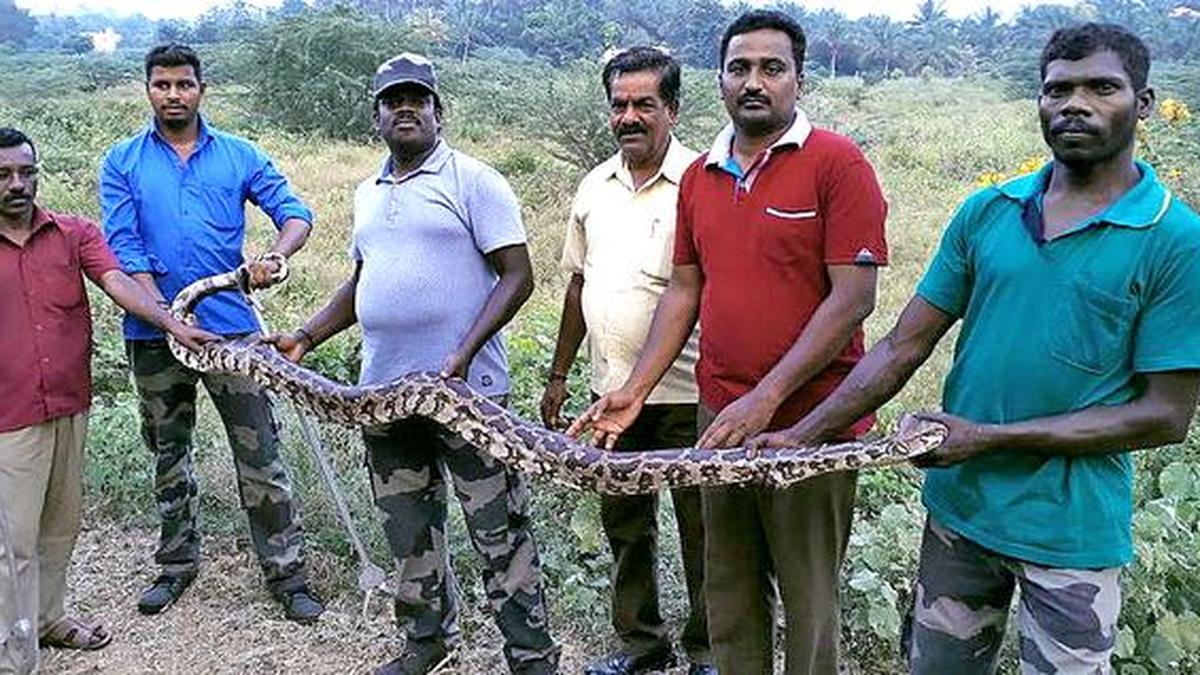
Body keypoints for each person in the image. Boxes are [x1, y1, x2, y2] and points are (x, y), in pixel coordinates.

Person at [750, 23, 1200, 674]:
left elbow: (1164, 415)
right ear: (1039, 102)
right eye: (1058, 89)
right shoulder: (988, 210)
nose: (1075, 103)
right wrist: (805, 432)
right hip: (959, 516)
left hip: (1070, 535)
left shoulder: (1174, 238)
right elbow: (903, 345)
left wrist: (985, 437)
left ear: (1146, 102)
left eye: (1102, 87)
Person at [571, 10, 889, 674]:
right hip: (721, 416)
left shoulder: (838, 162)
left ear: (798, 78)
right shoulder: (701, 178)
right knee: (730, 590)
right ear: (719, 79)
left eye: (771, 68)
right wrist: (634, 390)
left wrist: (769, 399)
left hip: (815, 420)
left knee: (808, 596)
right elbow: (683, 292)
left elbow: (853, 297)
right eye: (739, 67)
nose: (754, 82)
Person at [267, 53, 559, 675]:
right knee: (408, 530)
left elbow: (519, 276)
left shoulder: (475, 180)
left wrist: (463, 352)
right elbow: (364, 278)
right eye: (393, 100)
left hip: (468, 396)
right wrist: (306, 335)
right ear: (375, 115)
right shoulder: (367, 193)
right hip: (385, 395)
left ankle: (532, 657)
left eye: (417, 99)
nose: (406, 108)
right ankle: (428, 642)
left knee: (499, 532)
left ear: (437, 110)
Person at [99, 44, 323, 623]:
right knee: (169, 453)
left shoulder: (239, 154)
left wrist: (275, 255)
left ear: (203, 88)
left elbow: (295, 212)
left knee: (261, 454)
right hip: (154, 333)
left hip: (233, 334)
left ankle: (287, 576)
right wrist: (169, 318)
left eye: (184, 84)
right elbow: (122, 253)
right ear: (147, 89)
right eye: (162, 85)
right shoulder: (122, 161)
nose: (173, 95)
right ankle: (176, 567)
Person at [0, 127, 215, 660]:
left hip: (68, 403)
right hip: (9, 413)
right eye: (3, 175)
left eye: (26, 172)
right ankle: (15, 653)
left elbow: (118, 282)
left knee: (59, 527)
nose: (17, 184)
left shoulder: (74, 235)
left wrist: (171, 322)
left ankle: (48, 619)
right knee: (13, 544)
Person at [539, 46, 712, 675]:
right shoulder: (594, 186)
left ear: (671, 107)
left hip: (691, 395)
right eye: (620, 105)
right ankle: (642, 647)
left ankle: (709, 653)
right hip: (608, 394)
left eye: (644, 104)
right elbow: (578, 284)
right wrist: (560, 375)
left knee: (703, 532)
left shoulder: (705, 180)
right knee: (626, 528)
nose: (630, 117)